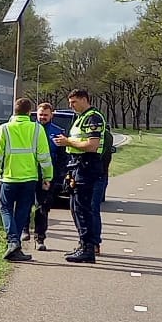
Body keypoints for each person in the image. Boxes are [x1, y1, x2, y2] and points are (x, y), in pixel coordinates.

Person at [0, 96, 53, 262]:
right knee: (23, 211)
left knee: (5, 208)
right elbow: (44, 156)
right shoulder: (37, 129)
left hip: (9, 177)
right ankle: (14, 245)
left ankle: (13, 242)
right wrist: (47, 176)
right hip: (30, 178)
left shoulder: (4, 129)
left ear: (14, 111)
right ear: (29, 112)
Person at [58, 87, 113, 264]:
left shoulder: (93, 117)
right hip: (77, 165)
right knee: (75, 207)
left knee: (83, 208)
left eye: (74, 102)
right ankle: (83, 244)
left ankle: (88, 248)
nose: (71, 106)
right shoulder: (81, 118)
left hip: (87, 165)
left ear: (84, 99)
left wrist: (67, 141)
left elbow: (92, 145)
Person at [29, 100, 69, 251]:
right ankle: (25, 230)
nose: (42, 117)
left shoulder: (58, 131)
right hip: (29, 174)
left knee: (43, 207)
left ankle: (40, 238)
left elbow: (63, 157)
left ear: (51, 115)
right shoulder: (30, 129)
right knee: (25, 205)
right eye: (40, 114)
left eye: (45, 115)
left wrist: (58, 177)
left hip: (48, 176)